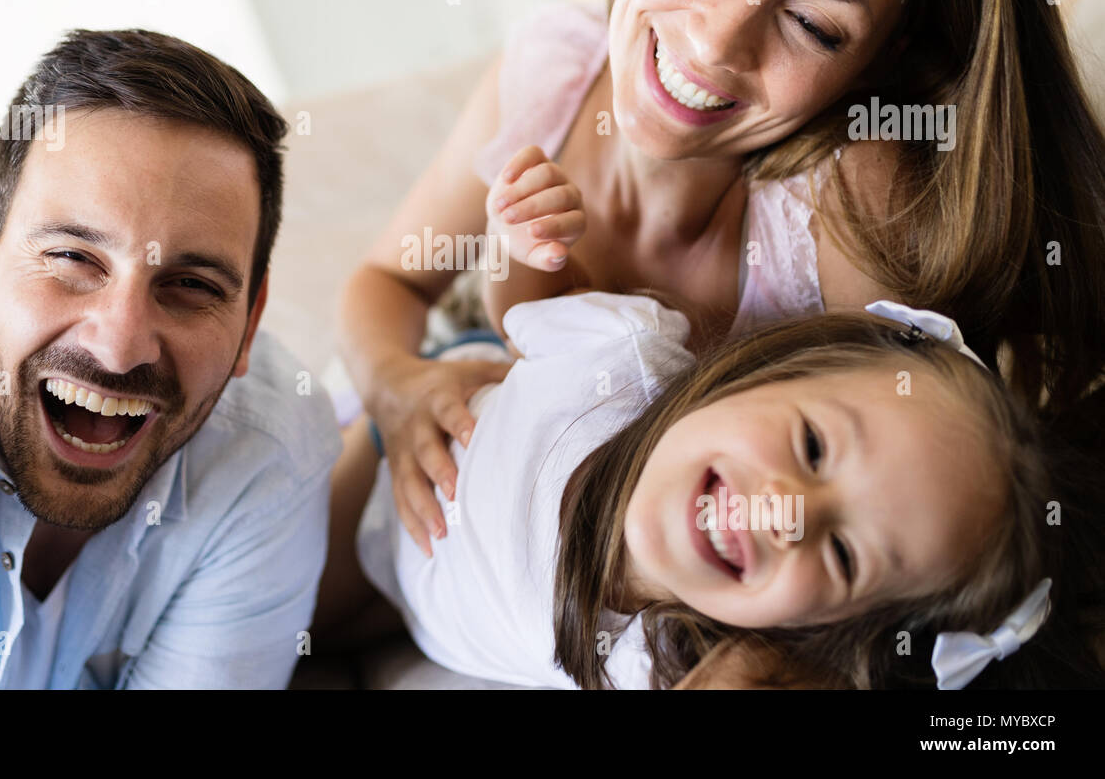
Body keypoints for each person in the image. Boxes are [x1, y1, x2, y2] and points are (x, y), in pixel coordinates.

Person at [334, 0, 1105, 560]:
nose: (714, 42)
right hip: (457, 388)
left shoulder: (852, 197)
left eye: (812, 23)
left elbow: (853, 529)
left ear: (879, 63)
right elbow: (387, 282)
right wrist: (399, 387)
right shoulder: (555, 67)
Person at [0, 29, 340, 689]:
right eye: (72, 258)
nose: (118, 348)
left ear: (249, 324)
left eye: (192, 286)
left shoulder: (268, 452)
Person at [318, 289, 1060, 689]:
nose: (788, 513)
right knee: (289, 600)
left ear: (826, 628)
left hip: (420, 604)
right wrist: (527, 243)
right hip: (410, 451)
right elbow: (523, 321)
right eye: (811, 446)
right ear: (769, 370)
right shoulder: (623, 350)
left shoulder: (668, 663)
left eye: (840, 553)